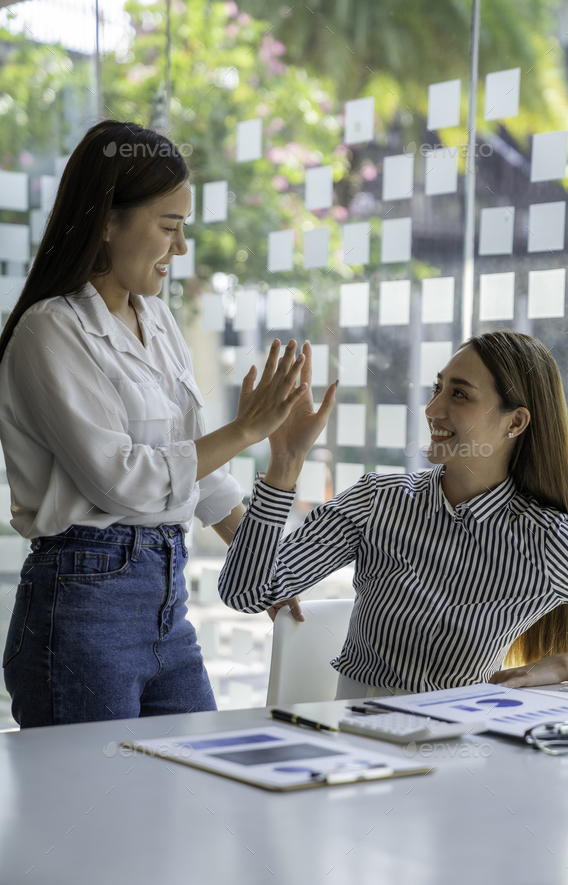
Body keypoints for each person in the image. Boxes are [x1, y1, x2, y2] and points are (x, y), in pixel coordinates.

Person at [0, 119, 336, 728]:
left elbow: (199, 478)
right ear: (107, 219)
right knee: (99, 812)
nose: (180, 249)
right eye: (169, 227)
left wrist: (268, 574)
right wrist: (244, 430)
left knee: (187, 786)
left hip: (166, 602)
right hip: (82, 607)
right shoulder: (49, 330)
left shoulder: (156, 322)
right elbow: (122, 482)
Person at [219, 330, 568, 699]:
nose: (432, 409)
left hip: (461, 744)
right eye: (437, 388)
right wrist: (286, 461)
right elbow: (246, 592)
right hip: (357, 742)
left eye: (459, 394)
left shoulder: (543, 539)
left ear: (515, 422)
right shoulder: (378, 501)